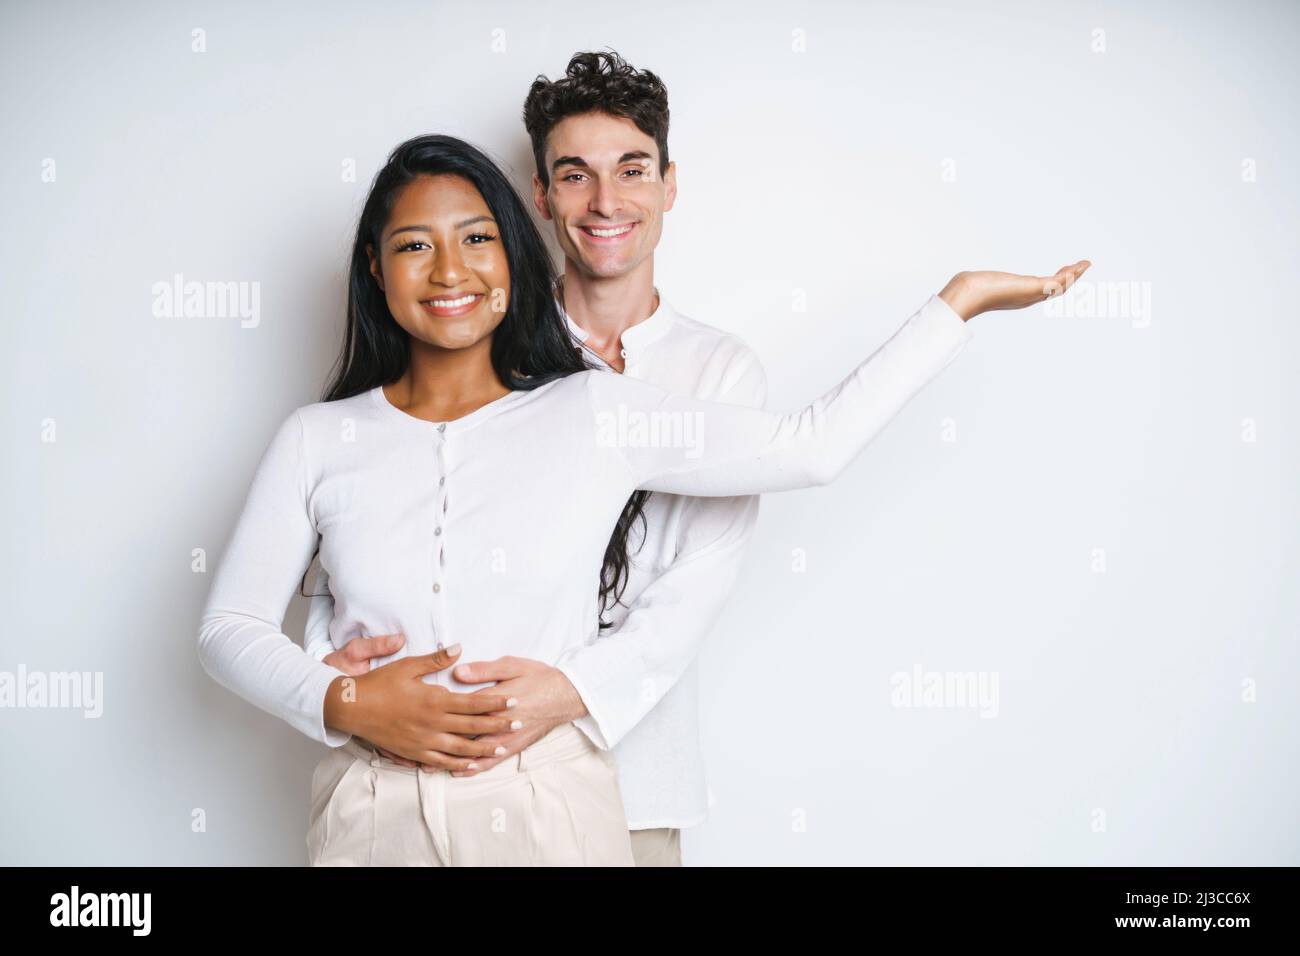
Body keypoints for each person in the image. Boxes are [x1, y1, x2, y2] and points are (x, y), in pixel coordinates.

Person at [196, 132, 1089, 866]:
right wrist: (341, 702)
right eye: (413, 245)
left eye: (476, 238)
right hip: (373, 821)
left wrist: (956, 305)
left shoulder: (593, 411)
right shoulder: (318, 438)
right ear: (375, 269)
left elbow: (809, 447)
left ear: (513, 250)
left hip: (550, 813)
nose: (448, 269)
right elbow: (227, 628)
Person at [301, 51, 765, 868]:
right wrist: (326, 671)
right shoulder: (473, 335)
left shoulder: (719, 373)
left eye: (631, 170)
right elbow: (361, 515)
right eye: (575, 176)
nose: (607, 201)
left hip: (637, 777)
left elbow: (695, 589)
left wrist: (568, 692)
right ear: (542, 196)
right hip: (446, 770)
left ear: (669, 184)